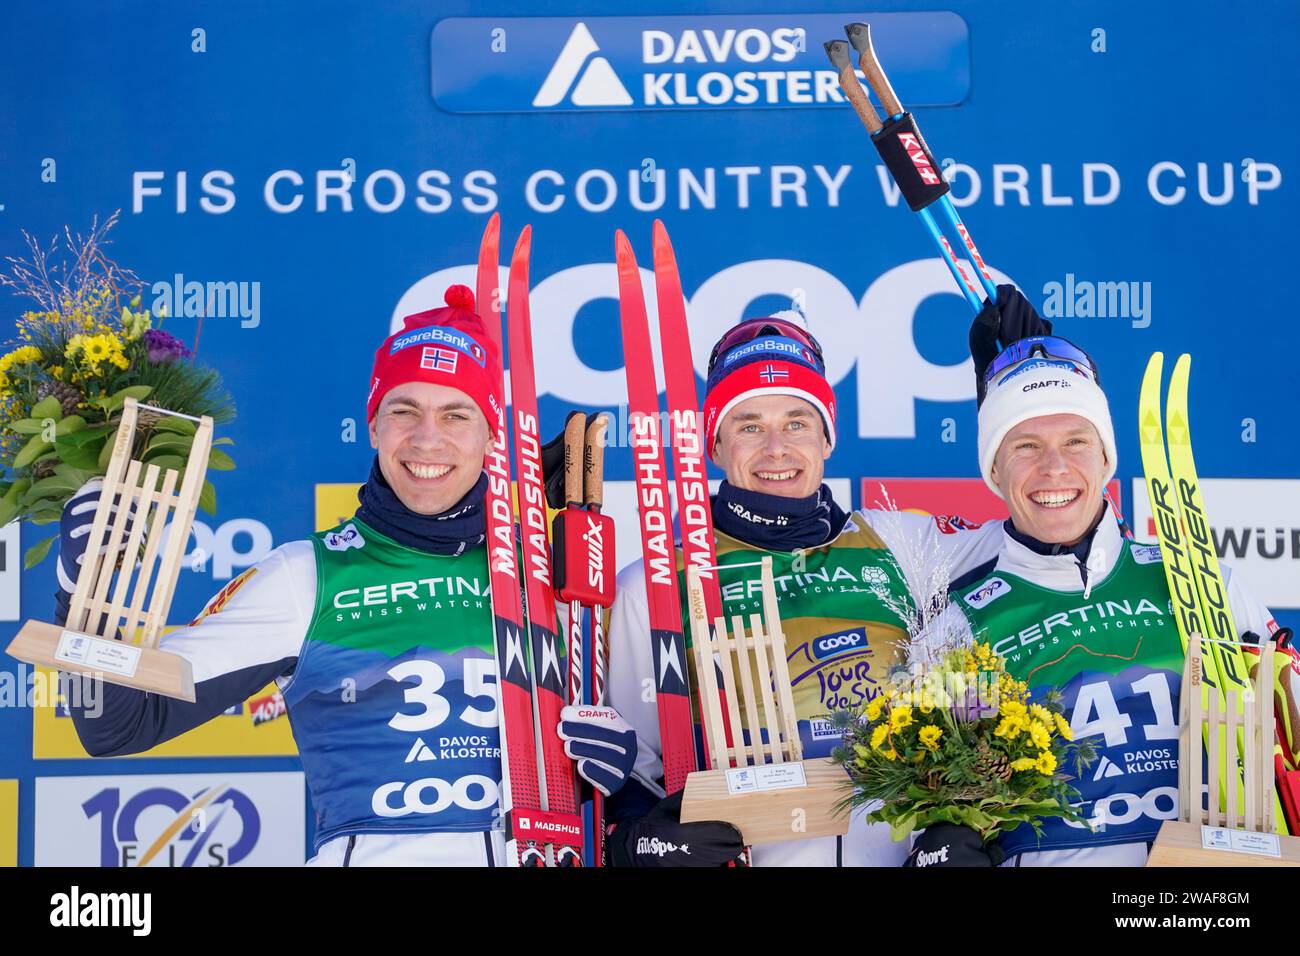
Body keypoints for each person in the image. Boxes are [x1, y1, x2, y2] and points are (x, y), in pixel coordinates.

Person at [55, 285, 637, 866]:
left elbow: (643, 795)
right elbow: (116, 724)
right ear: (373, 426)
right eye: (403, 411)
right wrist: (83, 592)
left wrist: (622, 773)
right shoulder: (307, 577)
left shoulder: (552, 576)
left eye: (456, 415)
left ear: (491, 436)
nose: (427, 438)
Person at [604, 309, 1009, 867]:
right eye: (749, 426)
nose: (776, 448)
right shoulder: (653, 583)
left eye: (797, 422)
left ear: (826, 438)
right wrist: (636, 844)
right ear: (715, 446)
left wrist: (1018, 394)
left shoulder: (906, 545)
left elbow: (1049, 533)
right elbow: (637, 773)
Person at [937, 317, 1300, 865]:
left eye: (1076, 441)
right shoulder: (963, 622)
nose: (1054, 468)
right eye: (1025, 446)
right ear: (994, 467)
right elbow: (938, 781)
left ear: (1106, 457)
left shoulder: (1201, 580)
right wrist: (941, 834)